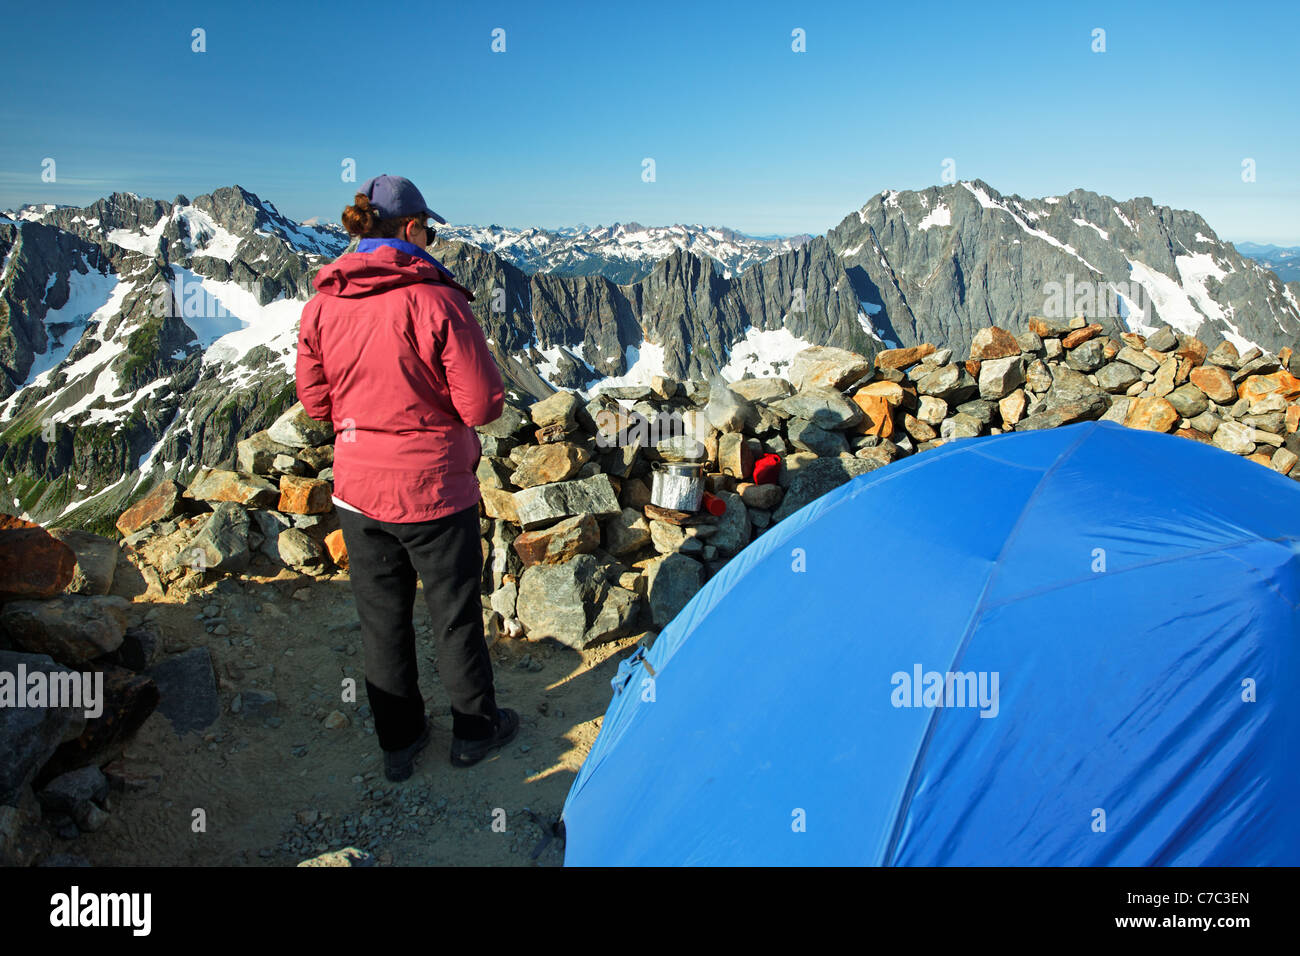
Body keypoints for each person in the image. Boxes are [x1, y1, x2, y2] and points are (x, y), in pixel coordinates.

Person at [295, 174, 518, 782]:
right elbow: (482, 405)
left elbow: (315, 405)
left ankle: (399, 742)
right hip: (434, 491)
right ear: (414, 228)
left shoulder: (322, 303)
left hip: (357, 493)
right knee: (453, 614)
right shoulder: (436, 299)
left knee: (381, 619)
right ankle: (474, 732)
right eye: (430, 228)